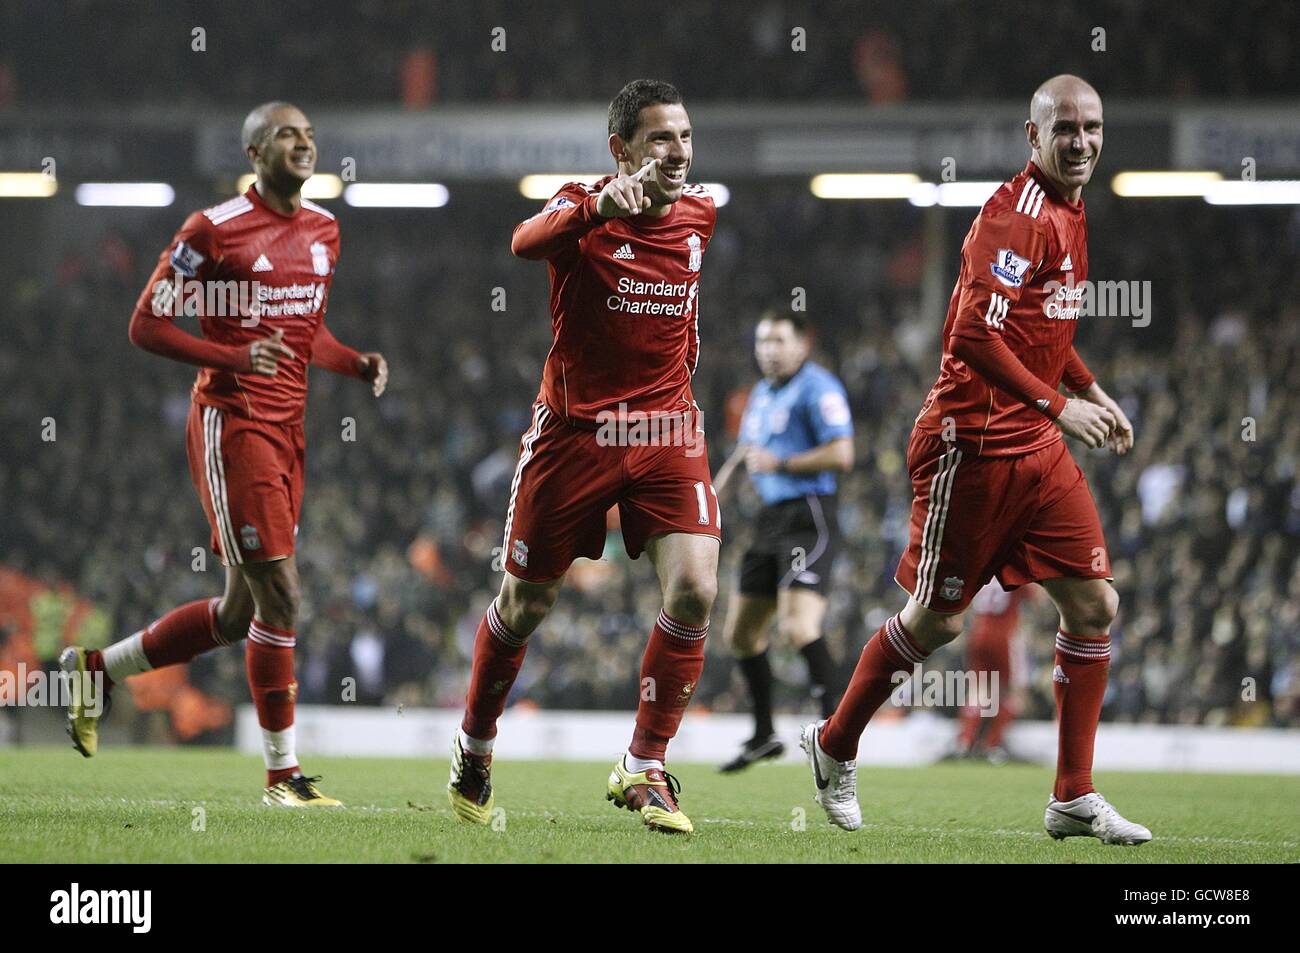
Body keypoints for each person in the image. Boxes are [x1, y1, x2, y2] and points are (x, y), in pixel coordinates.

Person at [801, 75, 1152, 845]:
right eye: (1066, 129)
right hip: (973, 444)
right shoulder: (1014, 217)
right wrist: (1065, 406)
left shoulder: (1072, 207)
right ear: (1034, 136)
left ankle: (1071, 794)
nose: (1082, 142)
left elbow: (1044, 325)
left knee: (1095, 604)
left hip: (1035, 444)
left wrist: (1090, 386)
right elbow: (971, 336)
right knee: (938, 621)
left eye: (1093, 127)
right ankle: (833, 744)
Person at [60, 102, 388, 808]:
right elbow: (146, 324)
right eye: (285, 135)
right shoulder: (212, 230)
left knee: (242, 613)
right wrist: (231, 356)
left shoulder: (325, 229)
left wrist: (352, 362)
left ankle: (96, 668)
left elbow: (307, 331)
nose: (303, 143)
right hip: (232, 424)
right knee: (283, 593)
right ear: (252, 152)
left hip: (290, 429)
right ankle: (282, 777)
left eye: (308, 134)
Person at [446, 79, 719, 834]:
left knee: (695, 588)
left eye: (686, 136)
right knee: (525, 604)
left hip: (664, 428)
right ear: (622, 148)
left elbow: (684, 311)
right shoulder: (582, 206)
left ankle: (645, 763)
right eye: (661, 138)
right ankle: (475, 739)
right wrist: (600, 207)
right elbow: (522, 241)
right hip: (573, 435)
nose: (679, 152)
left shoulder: (702, 213)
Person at [713, 313, 852, 772]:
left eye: (778, 340)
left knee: (797, 627)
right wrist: (715, 492)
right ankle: (763, 734)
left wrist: (784, 464)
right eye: (762, 340)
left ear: (801, 346)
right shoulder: (759, 395)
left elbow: (842, 453)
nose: (769, 349)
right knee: (741, 633)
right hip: (769, 520)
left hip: (808, 513)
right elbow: (746, 452)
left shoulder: (819, 388)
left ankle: (836, 735)